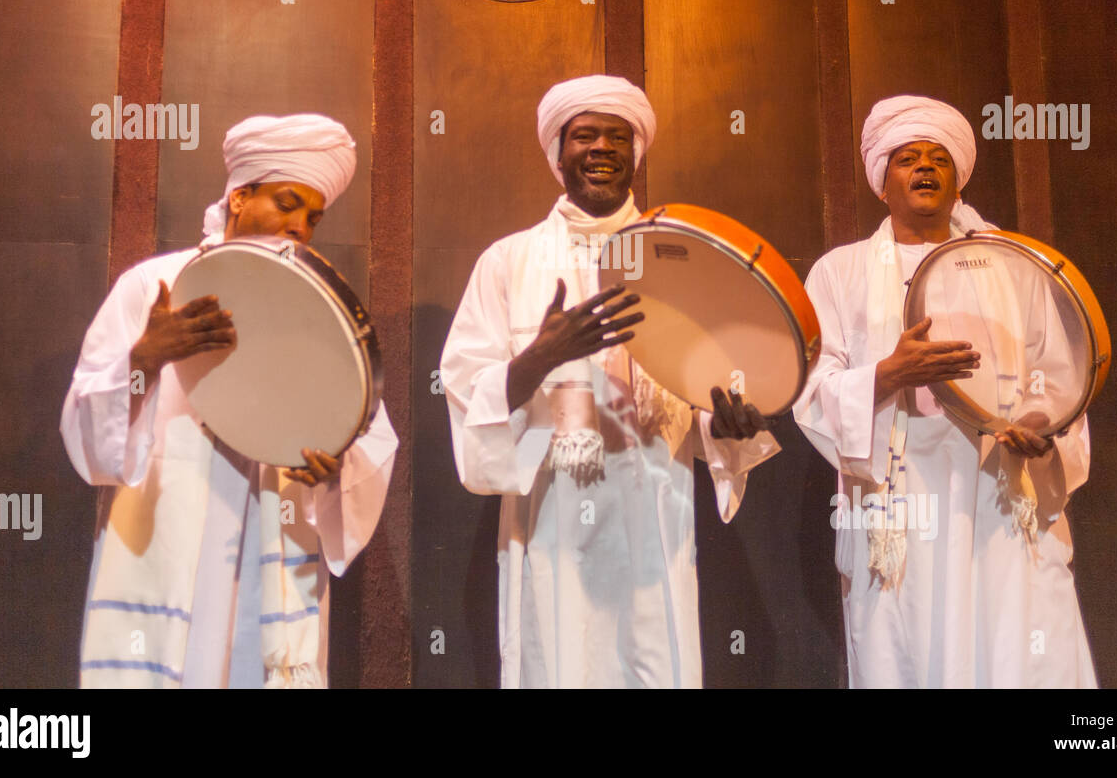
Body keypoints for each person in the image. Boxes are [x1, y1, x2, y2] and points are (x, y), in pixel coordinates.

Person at [440, 75, 781, 688]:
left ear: (635, 153)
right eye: (584, 135)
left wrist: (725, 424)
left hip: (654, 513)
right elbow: (468, 393)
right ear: (558, 152)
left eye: (617, 136)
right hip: (551, 520)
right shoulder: (508, 261)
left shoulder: (679, 255)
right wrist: (539, 358)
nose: (601, 147)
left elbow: (705, 387)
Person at [60, 114, 398, 688]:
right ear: (240, 196)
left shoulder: (319, 306)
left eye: (312, 217)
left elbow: (368, 430)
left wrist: (334, 470)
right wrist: (144, 358)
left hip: (269, 541)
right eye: (287, 204)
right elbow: (88, 433)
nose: (299, 227)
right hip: (163, 539)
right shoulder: (155, 285)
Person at [793, 95, 1096, 687]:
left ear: (958, 181)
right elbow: (811, 388)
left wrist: (1042, 430)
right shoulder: (839, 271)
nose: (925, 168)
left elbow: (1060, 375)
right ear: (883, 182)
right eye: (908, 158)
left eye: (939, 158)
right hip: (901, 504)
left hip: (999, 490)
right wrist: (888, 375)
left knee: (1017, 656)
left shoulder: (1015, 265)